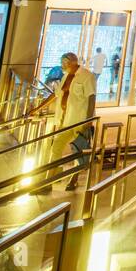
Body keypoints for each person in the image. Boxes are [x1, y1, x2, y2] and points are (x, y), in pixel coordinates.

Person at [33, 52, 99, 192]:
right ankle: (50, 180)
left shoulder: (87, 76)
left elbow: (91, 98)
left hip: (79, 121)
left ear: (72, 62)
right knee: (56, 148)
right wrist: (37, 109)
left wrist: (88, 121)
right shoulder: (66, 77)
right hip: (65, 120)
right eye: (62, 62)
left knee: (78, 151)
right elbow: (56, 94)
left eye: (65, 62)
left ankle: (73, 179)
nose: (63, 64)